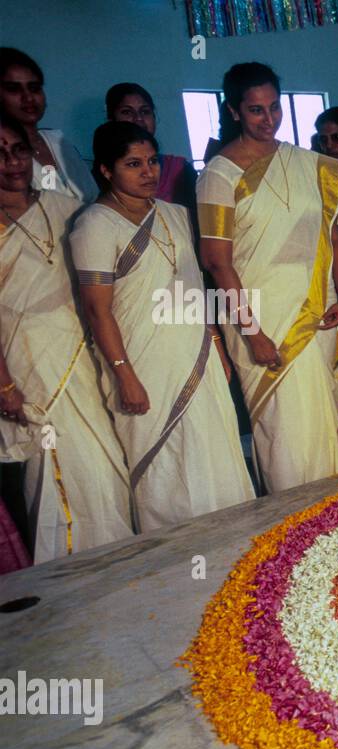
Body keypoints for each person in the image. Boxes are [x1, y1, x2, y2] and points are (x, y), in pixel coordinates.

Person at [70, 121, 253, 531]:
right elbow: (99, 311)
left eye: (152, 161)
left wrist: (218, 346)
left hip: (196, 354)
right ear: (105, 170)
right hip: (142, 363)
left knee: (213, 451)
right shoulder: (94, 225)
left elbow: (193, 287)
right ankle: (174, 559)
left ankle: (232, 546)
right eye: (133, 164)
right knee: (163, 465)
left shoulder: (176, 214)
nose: (148, 171)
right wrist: (124, 375)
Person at [197, 62, 338, 493]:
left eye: (274, 108)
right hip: (261, 319)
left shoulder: (308, 165)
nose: (268, 120)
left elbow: (332, 235)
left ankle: (334, 515)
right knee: (283, 433)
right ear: (233, 113)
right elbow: (216, 262)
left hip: (315, 312)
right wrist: (252, 333)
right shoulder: (218, 175)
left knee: (322, 421)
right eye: (255, 111)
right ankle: (290, 530)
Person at [0, 112, 132, 561]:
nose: (12, 162)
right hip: (30, 366)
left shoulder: (64, 208)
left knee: (107, 466)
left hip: (83, 353)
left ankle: (117, 565)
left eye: (18, 150)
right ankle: (71, 579)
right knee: (62, 472)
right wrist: (4, 385)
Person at [0, 48, 96, 201]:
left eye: (34, 88)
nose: (28, 97)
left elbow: (86, 195)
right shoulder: (4, 155)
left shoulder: (57, 141)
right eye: (14, 89)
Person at [105, 83, 198, 212]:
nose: (138, 119)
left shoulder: (179, 170)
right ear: (111, 119)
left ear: (154, 118)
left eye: (145, 112)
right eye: (127, 112)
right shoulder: (103, 174)